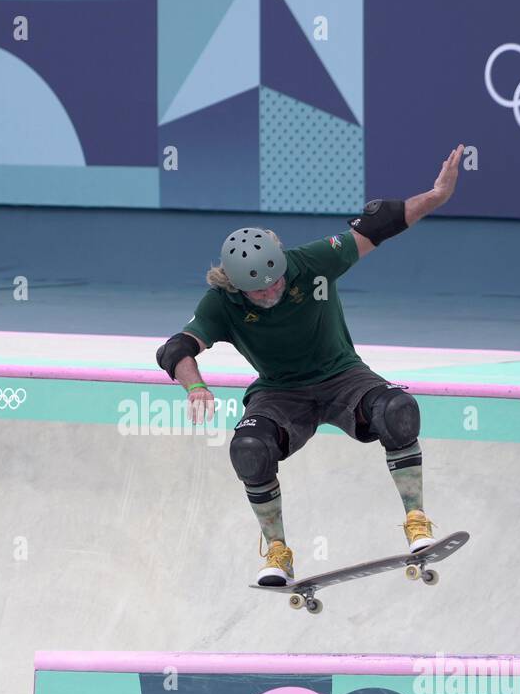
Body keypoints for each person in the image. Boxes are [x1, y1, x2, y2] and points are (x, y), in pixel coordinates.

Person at [156, 145, 464, 586]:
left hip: (345, 377)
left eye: (277, 280)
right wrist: (195, 387)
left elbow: (380, 224)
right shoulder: (220, 303)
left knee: (398, 412)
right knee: (249, 450)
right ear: (238, 288)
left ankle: (416, 522)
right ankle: (278, 553)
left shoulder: (311, 262)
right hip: (279, 393)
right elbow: (176, 349)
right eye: (259, 292)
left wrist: (436, 195)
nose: (272, 291)